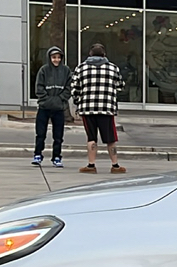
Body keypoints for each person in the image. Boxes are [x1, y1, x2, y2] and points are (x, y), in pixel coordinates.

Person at [67, 43, 128, 174]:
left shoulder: (81, 68)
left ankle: (91, 165)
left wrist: (78, 101)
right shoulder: (112, 68)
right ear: (104, 54)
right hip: (107, 108)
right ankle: (115, 165)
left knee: (91, 138)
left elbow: (75, 88)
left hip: (87, 108)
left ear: (90, 54)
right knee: (110, 139)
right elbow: (120, 85)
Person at [31, 46, 70, 168]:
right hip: (44, 108)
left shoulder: (66, 70)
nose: (56, 60)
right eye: (54, 57)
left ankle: (57, 157)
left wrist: (60, 99)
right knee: (40, 133)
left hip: (59, 108)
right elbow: (39, 88)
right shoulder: (43, 70)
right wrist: (46, 100)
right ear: (49, 58)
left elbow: (69, 88)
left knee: (58, 136)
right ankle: (37, 155)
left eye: (58, 57)